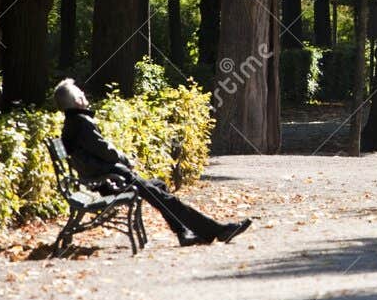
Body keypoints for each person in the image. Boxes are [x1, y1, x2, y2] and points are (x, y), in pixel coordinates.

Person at [56, 79, 251, 247]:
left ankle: (183, 232)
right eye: (81, 92)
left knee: (159, 187)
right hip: (113, 181)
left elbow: (100, 152)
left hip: (107, 178)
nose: (84, 94)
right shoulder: (81, 122)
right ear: (78, 100)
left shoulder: (74, 123)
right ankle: (217, 231)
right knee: (166, 198)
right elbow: (107, 152)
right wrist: (126, 159)